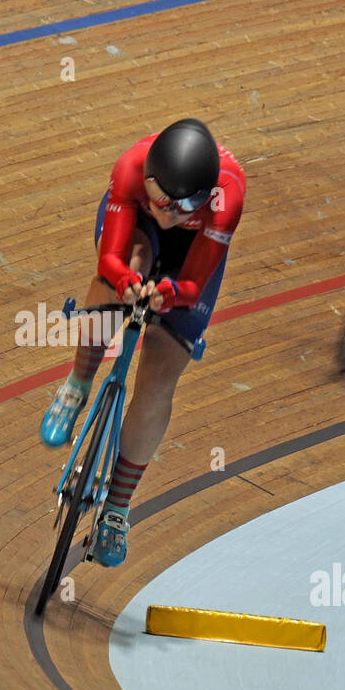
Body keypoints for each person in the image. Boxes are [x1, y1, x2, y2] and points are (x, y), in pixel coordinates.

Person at [40, 118, 246, 567]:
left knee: (159, 374)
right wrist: (127, 281)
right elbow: (111, 258)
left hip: (192, 254)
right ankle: (76, 385)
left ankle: (116, 509)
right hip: (135, 236)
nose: (167, 213)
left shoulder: (228, 197)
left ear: (206, 196)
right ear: (147, 178)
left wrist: (171, 294)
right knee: (124, 271)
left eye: (180, 206)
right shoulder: (132, 168)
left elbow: (193, 282)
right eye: (159, 198)